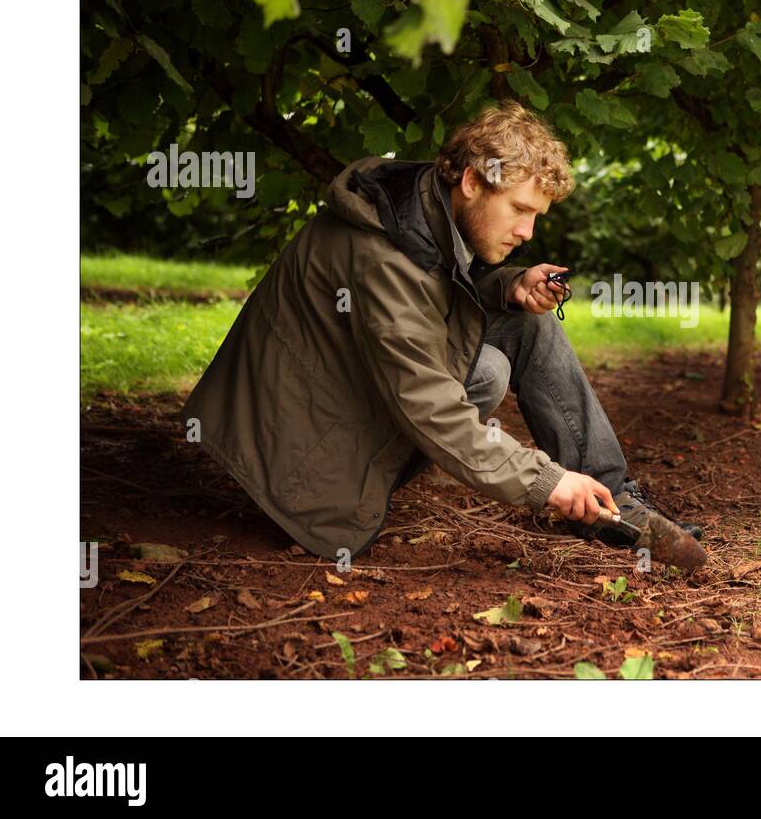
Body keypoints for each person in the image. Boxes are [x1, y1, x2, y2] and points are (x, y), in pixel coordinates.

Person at [181, 101, 706, 571]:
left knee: (527, 321)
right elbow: (427, 401)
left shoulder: (420, 206)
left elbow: (436, 292)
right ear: (474, 181)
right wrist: (549, 482)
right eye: (520, 210)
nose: (527, 233)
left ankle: (609, 501)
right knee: (487, 374)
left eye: (536, 216)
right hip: (292, 455)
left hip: (339, 389)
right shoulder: (381, 255)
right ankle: (586, 497)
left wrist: (508, 286)